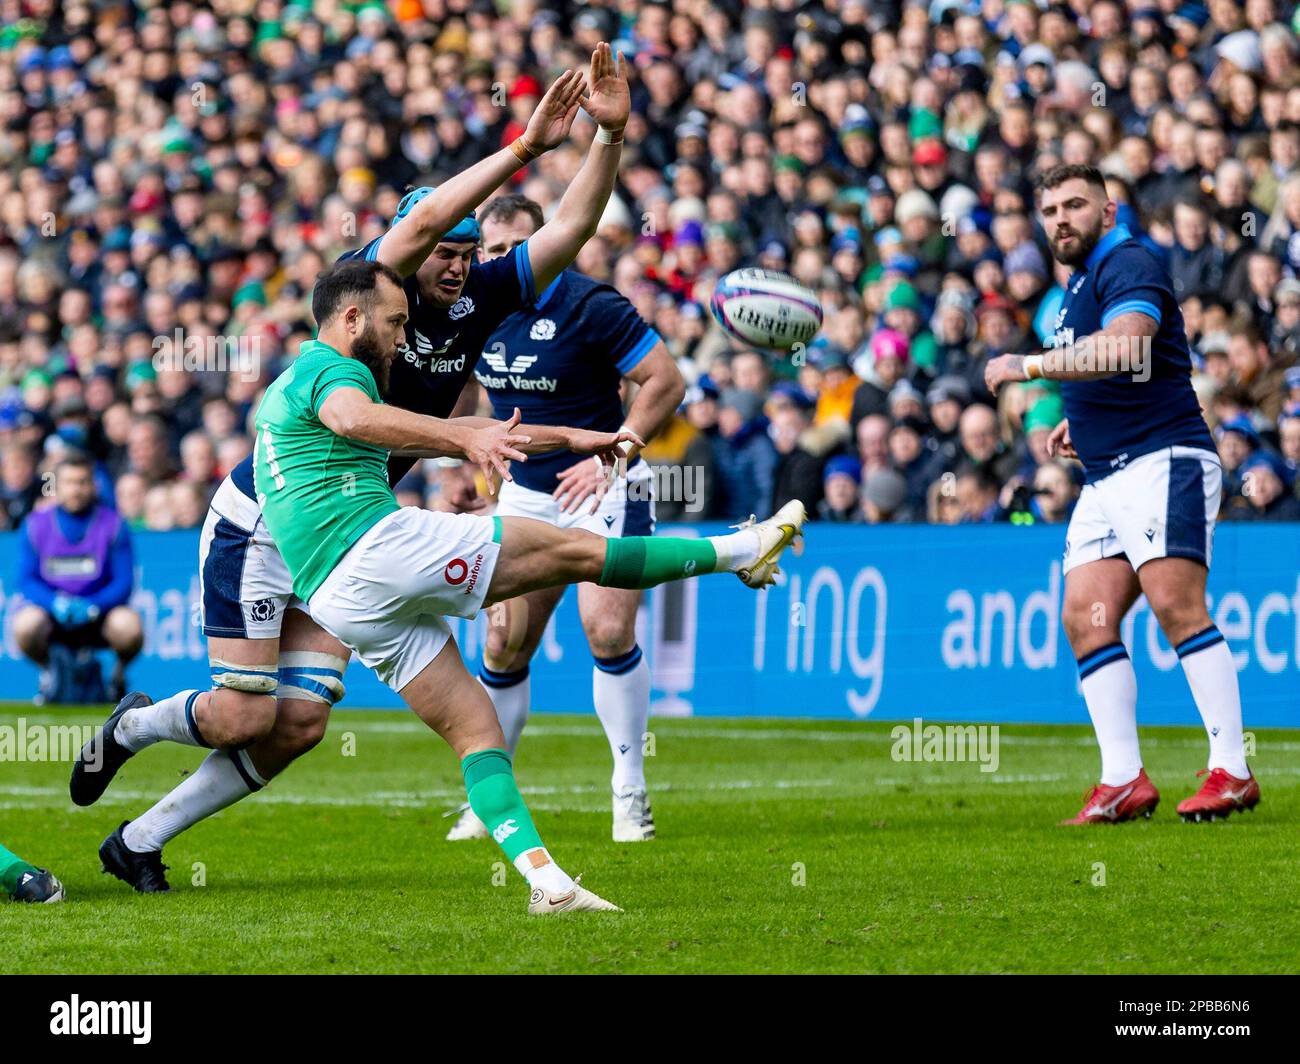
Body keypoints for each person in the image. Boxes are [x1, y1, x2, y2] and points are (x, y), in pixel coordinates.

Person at [69, 49, 645, 892]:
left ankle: (140, 840)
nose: (454, 260)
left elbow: (570, 229)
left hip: (350, 533)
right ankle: (133, 729)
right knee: (240, 712)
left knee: (298, 723)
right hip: (267, 522)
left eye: (466, 249)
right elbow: (415, 236)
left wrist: (610, 136)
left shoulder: (481, 296)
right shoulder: (373, 289)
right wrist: (523, 150)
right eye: (440, 247)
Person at [984, 164, 1256, 825]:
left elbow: (1128, 344)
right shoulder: (1080, 283)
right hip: (1107, 471)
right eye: (1048, 210)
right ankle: (1123, 779)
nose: (1060, 219)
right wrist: (1085, 419)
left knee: (1176, 607)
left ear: (1107, 212)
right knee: (1085, 614)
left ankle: (1233, 771)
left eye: (1074, 205)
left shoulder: (1128, 259)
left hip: (1163, 458)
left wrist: (1030, 366)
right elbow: (1123, 363)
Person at [444, 192, 686, 844]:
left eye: (511, 248)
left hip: (609, 486)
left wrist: (616, 456)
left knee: (605, 629)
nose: (497, 261)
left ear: (546, 242)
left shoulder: (590, 304)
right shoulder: (469, 309)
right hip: (526, 493)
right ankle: (488, 795)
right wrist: (471, 471)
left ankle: (629, 791)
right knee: (502, 643)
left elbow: (665, 380)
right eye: (487, 250)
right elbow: (460, 396)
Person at [13, 453, 142, 703]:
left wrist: (94, 606)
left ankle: (117, 677)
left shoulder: (114, 524)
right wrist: (54, 603)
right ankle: (48, 672)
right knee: (24, 626)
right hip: (53, 615)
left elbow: (123, 583)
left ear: (93, 485)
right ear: (57, 486)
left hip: (98, 615)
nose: (76, 489)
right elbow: (26, 579)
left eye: (83, 482)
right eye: (70, 482)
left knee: (129, 627)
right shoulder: (35, 524)